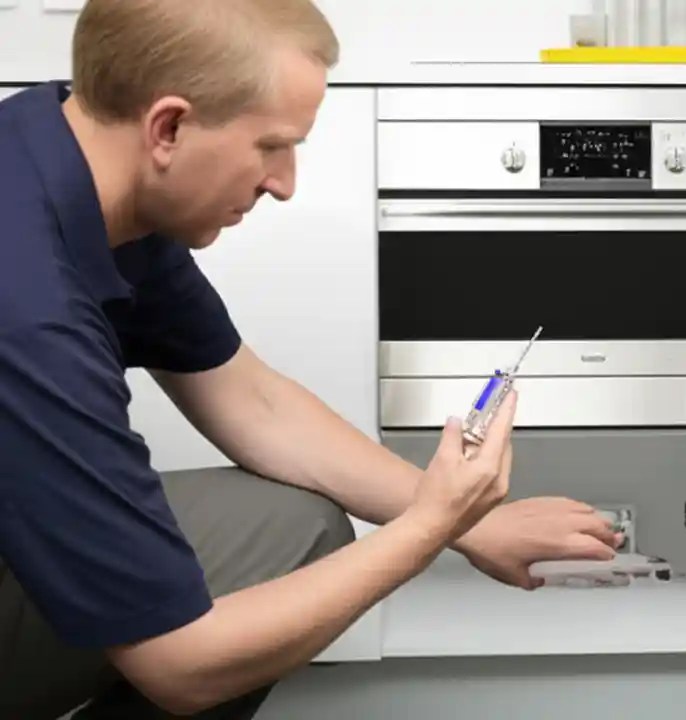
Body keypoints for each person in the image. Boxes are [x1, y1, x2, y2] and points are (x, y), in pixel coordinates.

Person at [0, 1, 622, 718]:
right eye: (271, 146)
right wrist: (431, 527)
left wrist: (471, 525)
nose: (285, 182)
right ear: (168, 126)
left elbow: (252, 401)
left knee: (291, 525)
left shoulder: (66, 153)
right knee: (193, 644)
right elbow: (180, 668)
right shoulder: (29, 310)